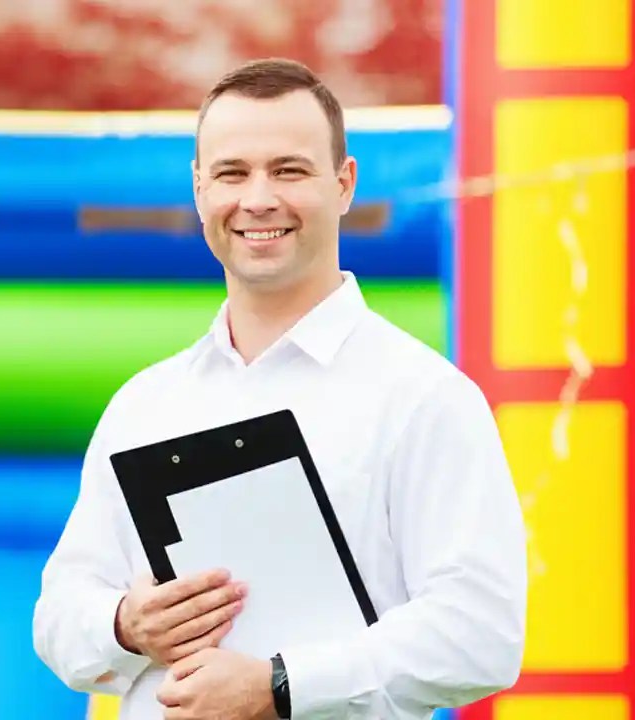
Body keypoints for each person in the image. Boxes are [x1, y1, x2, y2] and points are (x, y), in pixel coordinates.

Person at [32, 58, 527, 720]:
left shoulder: (424, 398)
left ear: (344, 184)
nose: (258, 199)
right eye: (232, 173)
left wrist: (280, 684)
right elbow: (59, 615)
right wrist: (125, 624)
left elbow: (480, 635)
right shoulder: (144, 405)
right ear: (200, 188)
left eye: (288, 170)